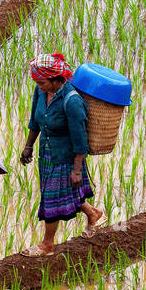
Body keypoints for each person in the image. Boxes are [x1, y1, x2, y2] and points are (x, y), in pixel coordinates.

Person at [19, 52, 104, 255]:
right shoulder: (40, 92)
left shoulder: (72, 101)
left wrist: (77, 170)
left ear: (56, 79)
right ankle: (94, 213)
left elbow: (80, 139)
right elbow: (35, 120)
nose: (38, 86)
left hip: (67, 157)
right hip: (46, 154)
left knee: (51, 200)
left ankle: (47, 244)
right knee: (61, 193)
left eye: (42, 82)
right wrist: (28, 145)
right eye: (37, 82)